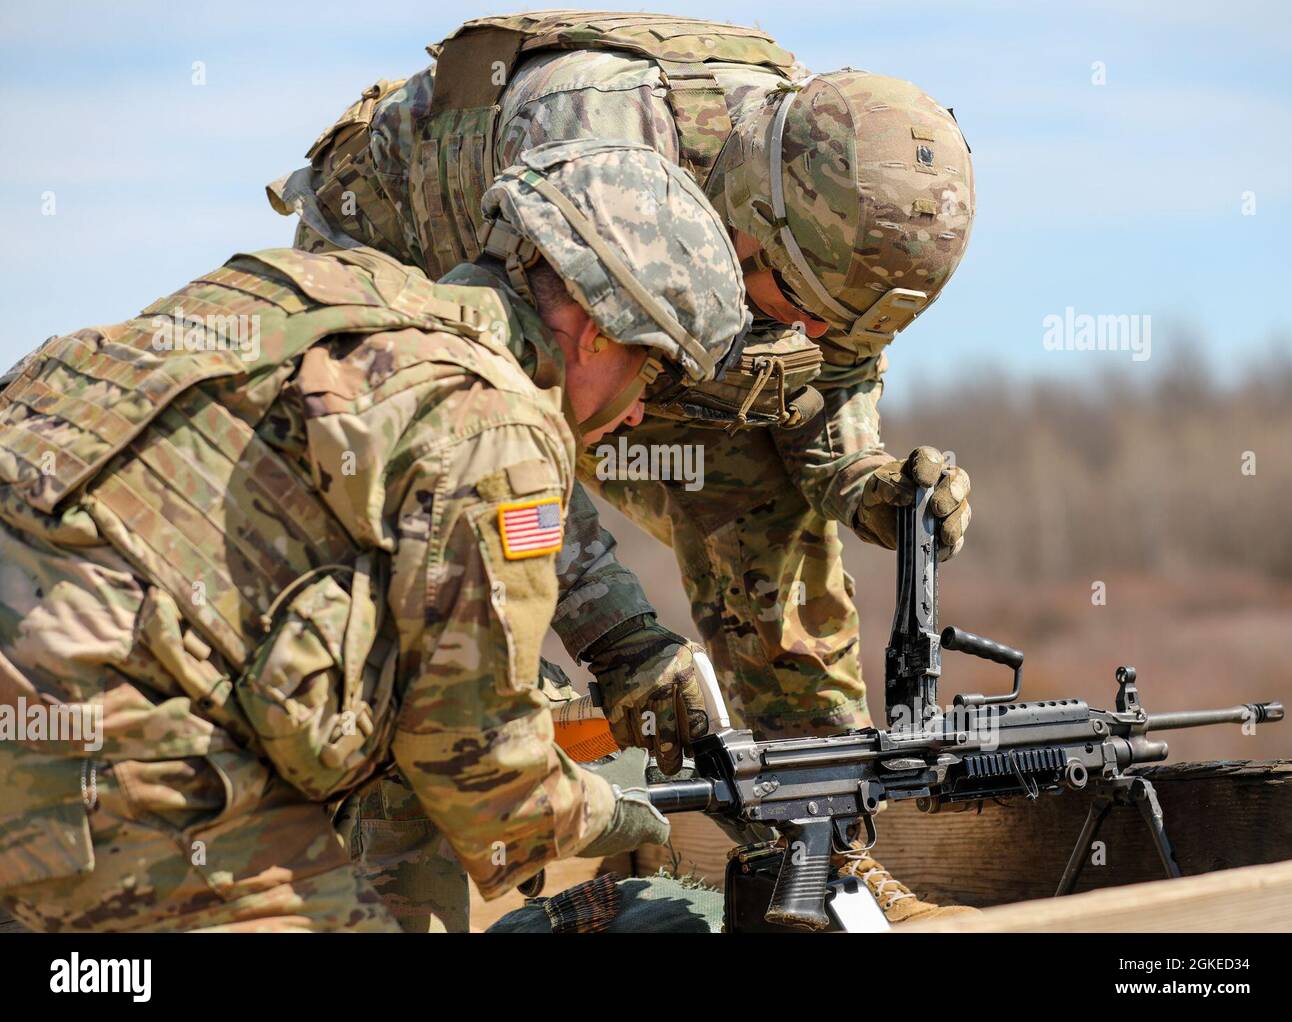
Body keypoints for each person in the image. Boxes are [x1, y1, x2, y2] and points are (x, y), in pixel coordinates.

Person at [269, 11, 977, 924]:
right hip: (409, 276)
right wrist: (626, 646)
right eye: (795, 306)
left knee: (765, 516)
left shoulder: (824, 223)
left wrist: (858, 479)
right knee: (437, 572)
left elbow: (818, 372)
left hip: (600, 321)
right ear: (752, 223)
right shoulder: (586, 139)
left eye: (828, 323)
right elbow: (503, 435)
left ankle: (821, 848)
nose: (805, 336)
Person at [0, 140, 748, 931]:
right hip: (102, 746)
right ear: (598, 329)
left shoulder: (325, 293)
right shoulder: (496, 422)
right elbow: (485, 779)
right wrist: (629, 809)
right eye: (655, 372)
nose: (637, 413)